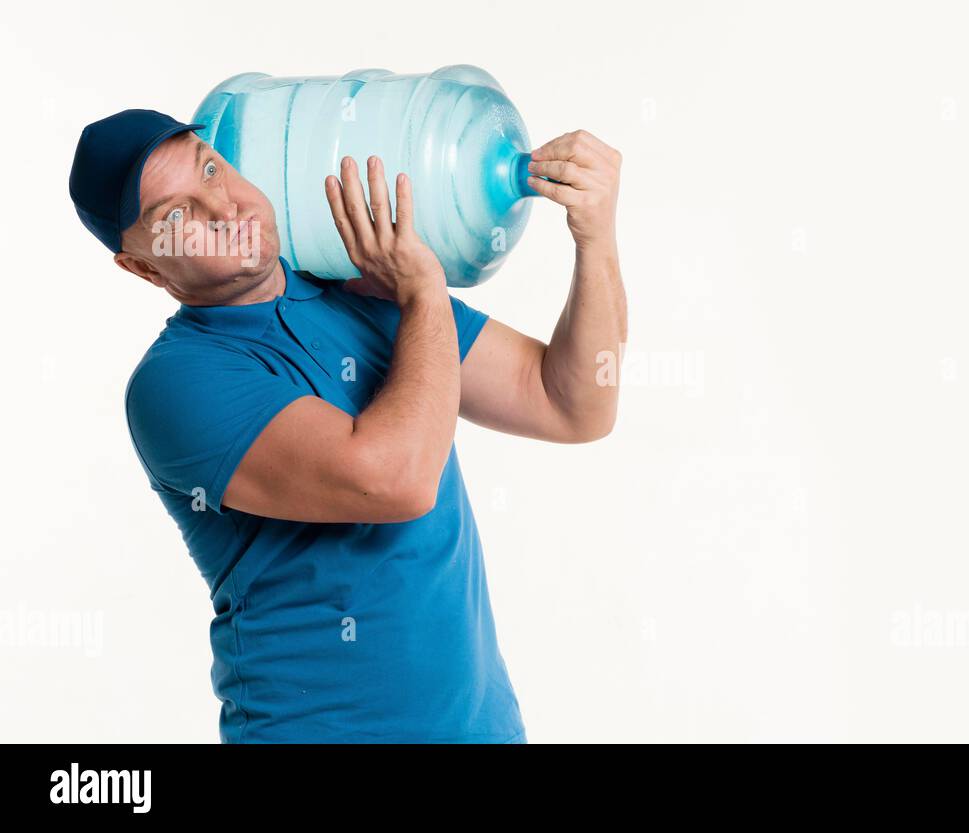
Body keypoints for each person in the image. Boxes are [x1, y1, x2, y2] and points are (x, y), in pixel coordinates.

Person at [68, 109, 626, 743]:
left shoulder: (363, 291)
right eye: (175, 217)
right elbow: (395, 480)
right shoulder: (179, 381)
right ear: (143, 268)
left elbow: (574, 404)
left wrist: (595, 236)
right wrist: (422, 294)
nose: (223, 209)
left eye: (212, 169)